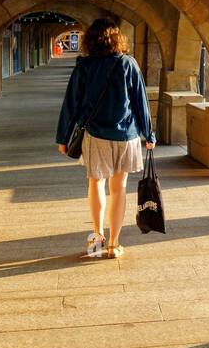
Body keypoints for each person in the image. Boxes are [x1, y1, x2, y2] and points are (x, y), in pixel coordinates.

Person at [56, 18, 156, 258]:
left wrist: (63, 137)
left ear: (90, 40)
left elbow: (71, 104)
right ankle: (114, 244)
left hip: (95, 135)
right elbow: (140, 101)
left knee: (95, 183)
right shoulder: (128, 64)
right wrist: (149, 133)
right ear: (117, 39)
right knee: (119, 188)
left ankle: (97, 237)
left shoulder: (84, 66)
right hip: (126, 135)